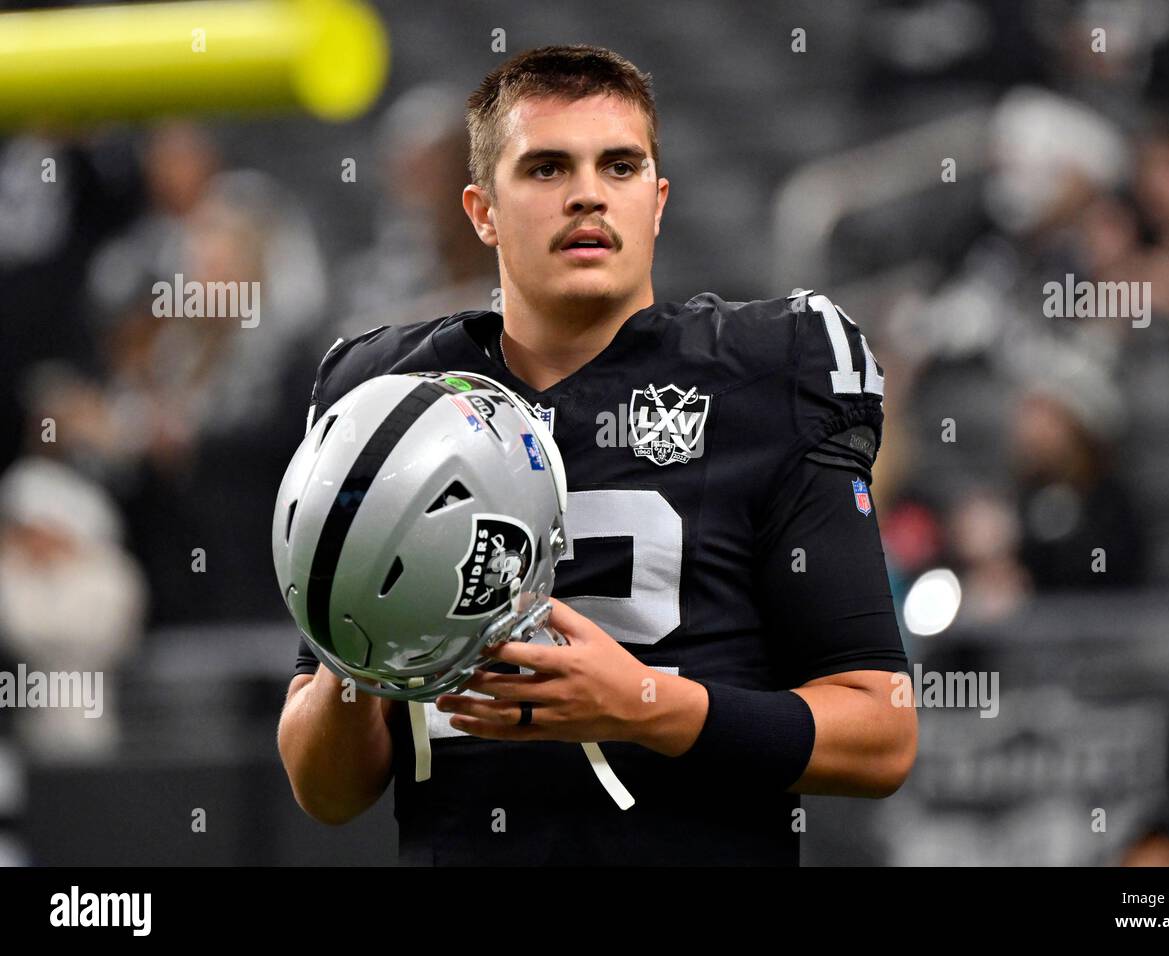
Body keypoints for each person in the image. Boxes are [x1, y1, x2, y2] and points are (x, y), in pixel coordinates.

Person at [276, 44, 916, 866]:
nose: (586, 193)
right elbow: (325, 790)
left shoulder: (764, 375)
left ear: (657, 201)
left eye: (619, 166)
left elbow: (882, 731)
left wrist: (645, 704)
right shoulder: (390, 396)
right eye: (545, 168)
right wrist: (352, 649)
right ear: (482, 211)